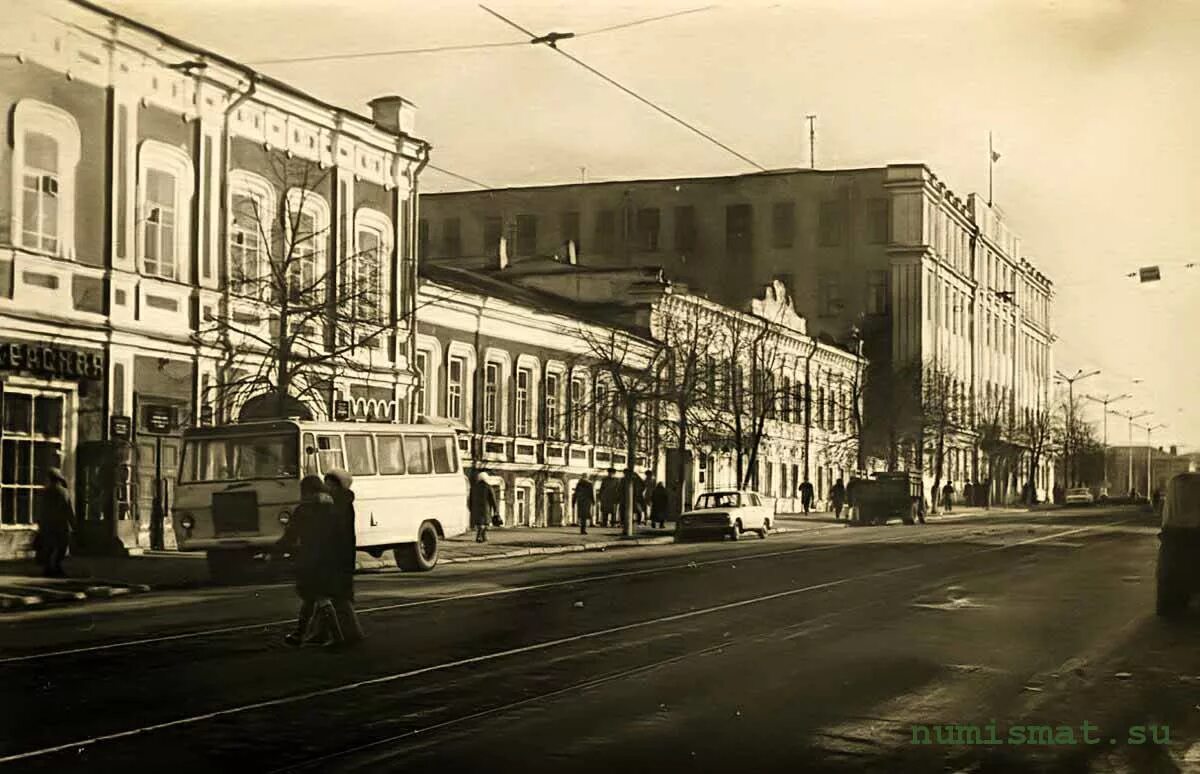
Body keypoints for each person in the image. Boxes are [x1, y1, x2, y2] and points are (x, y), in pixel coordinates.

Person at [277, 475, 339, 647]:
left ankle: (336, 635)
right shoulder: (332, 508)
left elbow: (291, 535)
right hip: (330, 557)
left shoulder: (304, 510)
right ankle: (300, 633)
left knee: (317, 596)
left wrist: (278, 550)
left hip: (311, 558)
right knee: (312, 597)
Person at [323, 469, 364, 647]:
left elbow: (335, 532)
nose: (326, 486)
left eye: (329, 483)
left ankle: (348, 634)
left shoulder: (338, 504)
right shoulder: (340, 502)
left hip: (338, 555)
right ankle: (328, 633)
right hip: (341, 555)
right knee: (334, 596)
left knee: (338, 597)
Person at [35, 468, 75, 577]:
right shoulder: (64, 492)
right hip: (61, 524)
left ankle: (48, 568)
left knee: (49, 547)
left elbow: (40, 509)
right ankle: (57, 566)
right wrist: (73, 524)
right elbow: (69, 509)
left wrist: (40, 522)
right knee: (61, 546)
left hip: (47, 524)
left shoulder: (45, 492)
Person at [468, 471, 498, 543]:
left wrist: (470, 508)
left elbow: (470, 499)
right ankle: (479, 536)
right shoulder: (488, 487)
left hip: (475, 509)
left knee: (479, 524)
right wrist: (495, 509)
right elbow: (493, 499)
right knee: (484, 524)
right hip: (485, 509)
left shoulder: (474, 487)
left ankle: (484, 537)